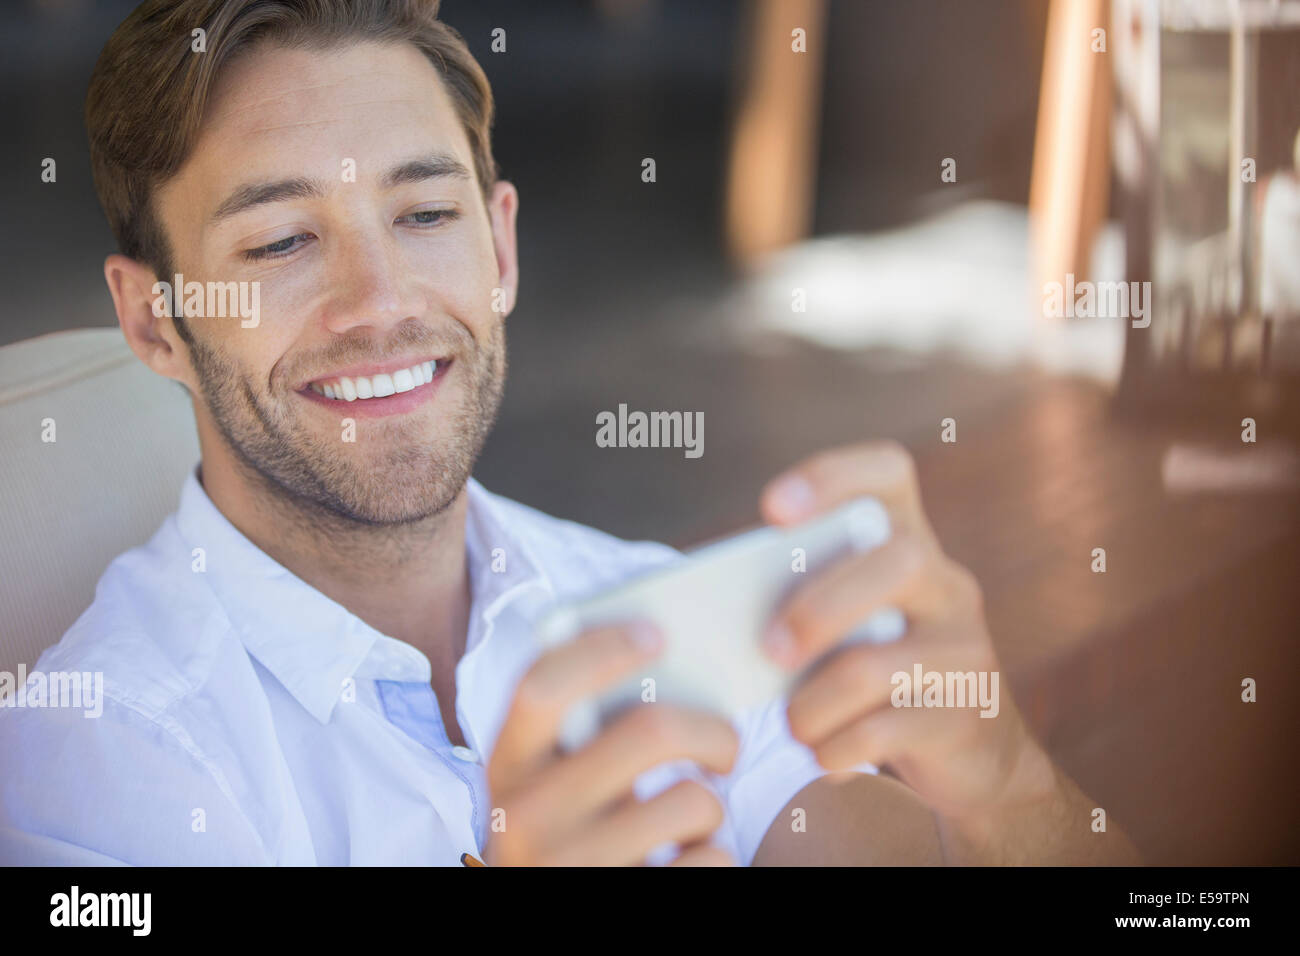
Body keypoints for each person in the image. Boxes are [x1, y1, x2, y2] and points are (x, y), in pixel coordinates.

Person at [0, 0, 1138, 866]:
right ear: (155, 318)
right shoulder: (105, 760)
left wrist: (1008, 787)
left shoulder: (650, 608)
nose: (380, 299)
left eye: (426, 213)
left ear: (499, 252)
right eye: (281, 242)